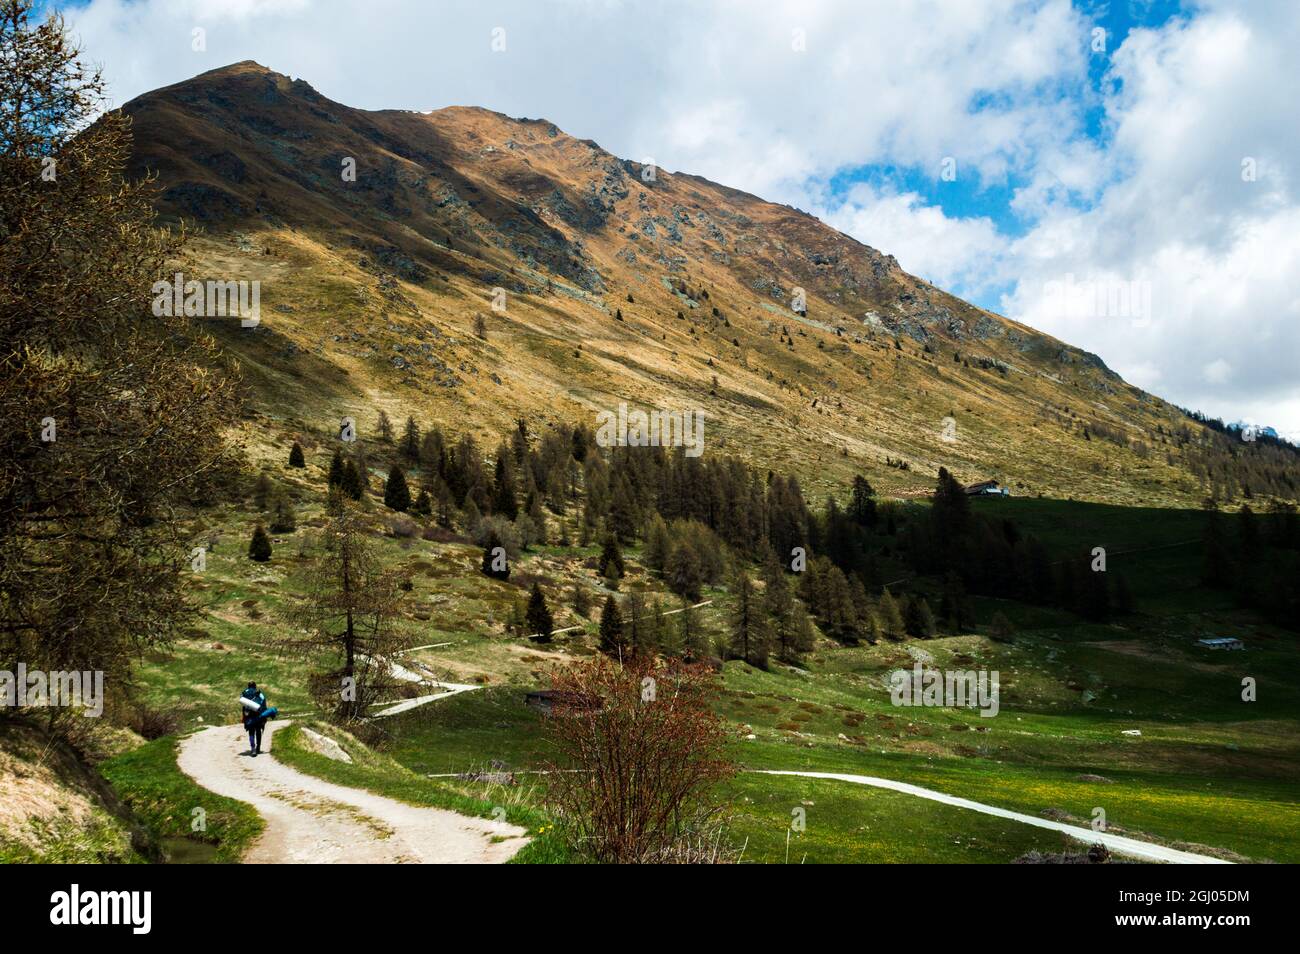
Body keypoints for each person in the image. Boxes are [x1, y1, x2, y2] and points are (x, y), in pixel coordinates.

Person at [241, 681, 269, 756]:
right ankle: (258, 748)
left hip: (249, 715)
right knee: (258, 731)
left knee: (251, 732)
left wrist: (244, 717)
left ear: (248, 686)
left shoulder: (244, 692)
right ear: (255, 686)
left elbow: (243, 704)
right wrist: (264, 715)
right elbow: (263, 702)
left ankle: (253, 749)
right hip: (258, 714)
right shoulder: (259, 692)